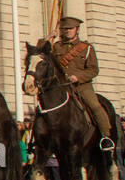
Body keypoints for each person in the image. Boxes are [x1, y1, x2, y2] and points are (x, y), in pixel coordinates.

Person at [48, 16, 113, 150]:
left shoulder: (86, 48)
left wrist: (78, 77)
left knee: (95, 106)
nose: (67, 31)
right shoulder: (56, 46)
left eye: (70, 29)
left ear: (77, 30)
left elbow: (93, 70)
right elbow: (40, 53)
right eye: (64, 29)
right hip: (62, 87)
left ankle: (106, 137)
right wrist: (48, 37)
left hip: (82, 86)